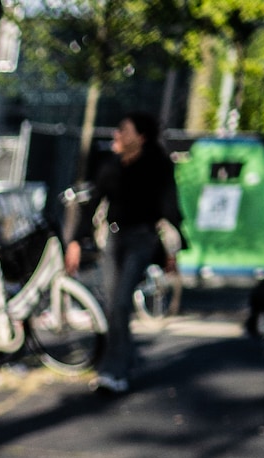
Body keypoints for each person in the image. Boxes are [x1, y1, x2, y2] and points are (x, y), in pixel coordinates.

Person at [69, 111, 182, 395]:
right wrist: (75, 240)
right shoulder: (112, 166)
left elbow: (169, 207)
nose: (117, 135)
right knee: (112, 304)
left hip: (142, 239)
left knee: (120, 302)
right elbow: (94, 202)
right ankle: (123, 358)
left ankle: (112, 370)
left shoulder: (157, 165)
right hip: (114, 238)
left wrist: (172, 250)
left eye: (124, 130)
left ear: (140, 136)